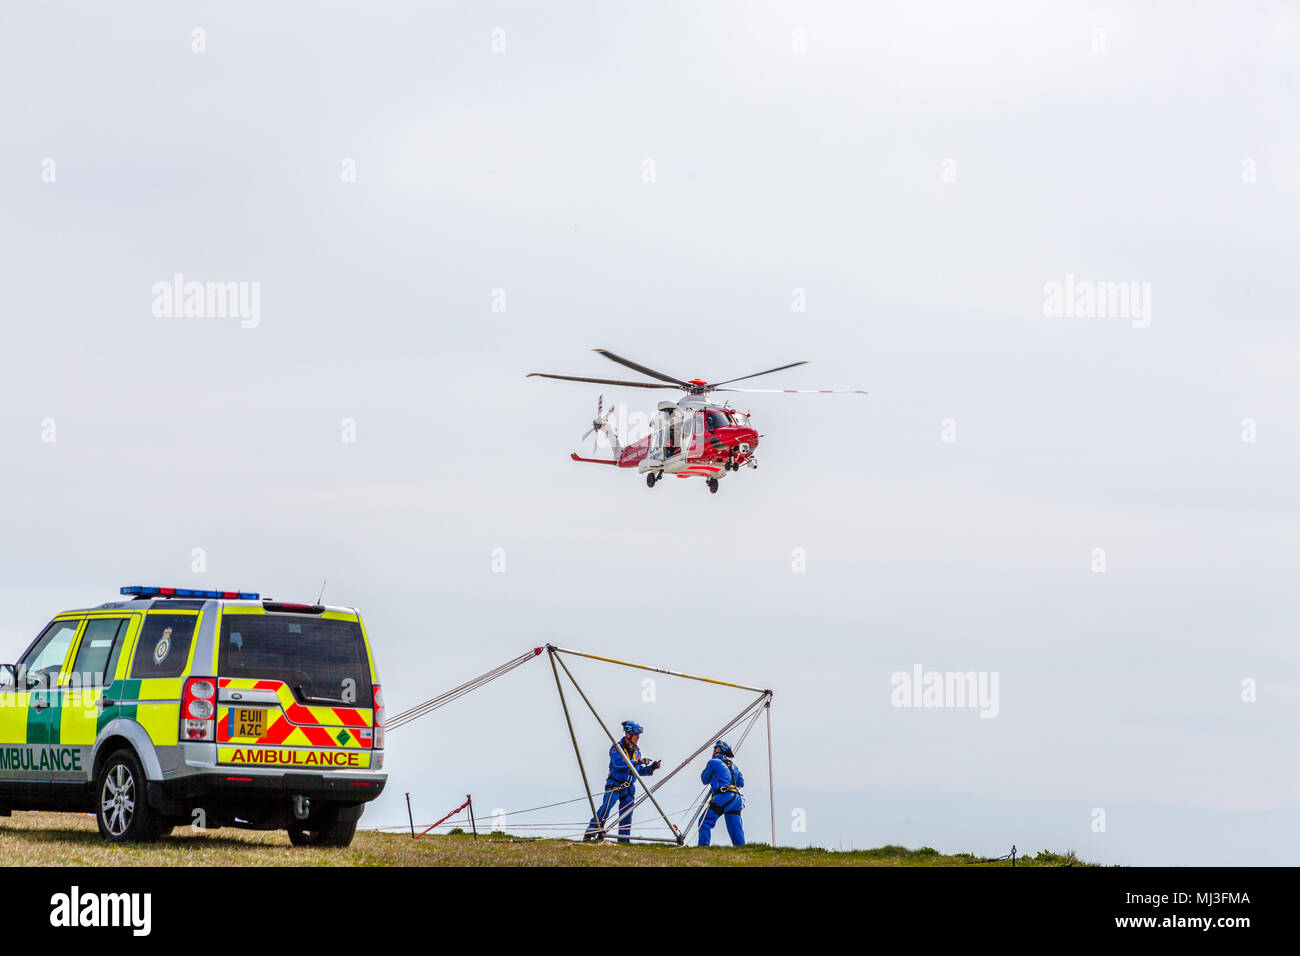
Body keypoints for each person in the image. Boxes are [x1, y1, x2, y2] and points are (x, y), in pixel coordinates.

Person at [584, 720, 661, 843]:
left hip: (628, 789)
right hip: (615, 785)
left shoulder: (637, 752)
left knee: (627, 815)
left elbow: (638, 770)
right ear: (628, 734)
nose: (638, 737)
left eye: (638, 735)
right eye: (636, 735)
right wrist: (636, 762)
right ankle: (591, 831)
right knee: (606, 807)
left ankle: (623, 841)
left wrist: (651, 768)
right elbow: (618, 763)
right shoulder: (616, 748)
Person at [697, 739, 744, 846]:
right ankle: (743, 851)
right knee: (736, 829)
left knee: (704, 822)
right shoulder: (734, 767)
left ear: (718, 750)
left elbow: (704, 779)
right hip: (736, 799)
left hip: (724, 796)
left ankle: (702, 850)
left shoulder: (713, 762)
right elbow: (741, 783)